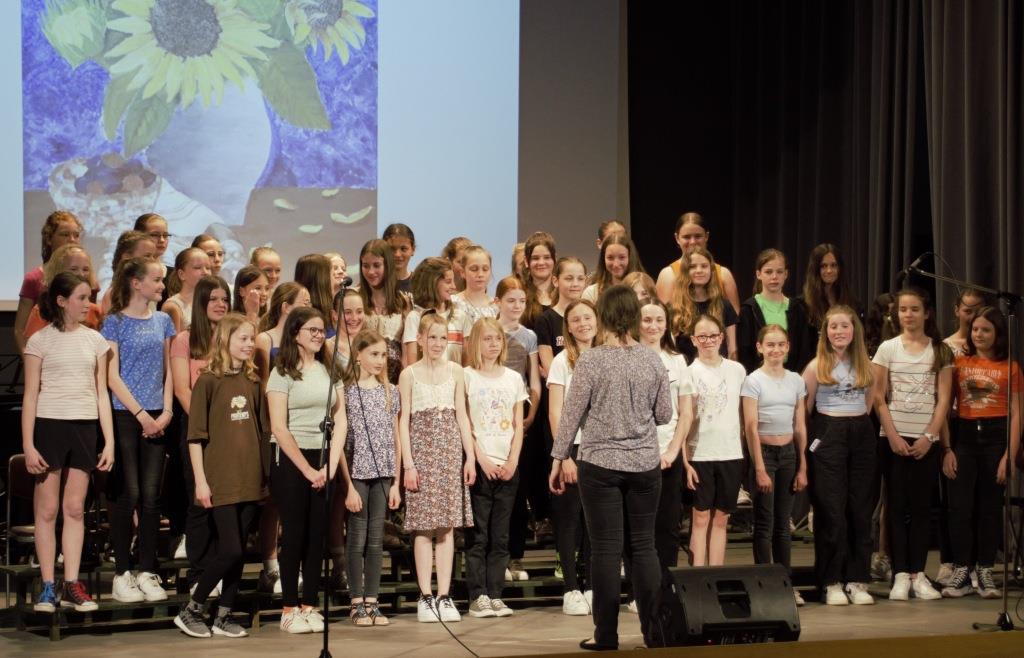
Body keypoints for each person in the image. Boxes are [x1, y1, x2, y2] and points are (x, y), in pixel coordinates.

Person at [549, 285, 672, 651]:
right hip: (644, 463)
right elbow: (664, 414)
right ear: (635, 318)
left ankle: (606, 636)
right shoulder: (652, 359)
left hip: (600, 463)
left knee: (605, 549)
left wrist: (558, 459)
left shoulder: (591, 360)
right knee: (644, 547)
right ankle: (655, 634)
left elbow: (570, 416)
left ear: (602, 316)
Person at [23, 273, 114, 613]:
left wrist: (109, 443)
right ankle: (48, 585)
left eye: (89, 297)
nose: (87, 303)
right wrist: (29, 445)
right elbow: (31, 395)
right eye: (80, 297)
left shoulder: (95, 341)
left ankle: (72, 583)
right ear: (61, 301)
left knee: (74, 509)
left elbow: (102, 393)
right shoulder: (40, 341)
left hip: (84, 427)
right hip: (49, 426)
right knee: (46, 510)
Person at [175, 314, 269, 638]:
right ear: (226, 340)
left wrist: (265, 477)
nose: (248, 344)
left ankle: (224, 615)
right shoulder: (208, 382)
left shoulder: (253, 381)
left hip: (250, 478)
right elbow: (195, 437)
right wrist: (201, 480)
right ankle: (193, 608)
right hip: (221, 480)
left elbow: (260, 430)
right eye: (242, 338)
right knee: (229, 549)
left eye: (251, 338)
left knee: (239, 549)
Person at [267, 307, 347, 633]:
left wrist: (328, 467)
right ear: (296, 333)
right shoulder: (282, 372)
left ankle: (309, 605)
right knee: (296, 535)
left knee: (317, 536)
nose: (318, 336)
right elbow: (278, 426)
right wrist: (307, 469)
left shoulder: (330, 370)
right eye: (311, 330)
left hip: (322, 458)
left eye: (320, 330)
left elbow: (341, 418)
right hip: (290, 459)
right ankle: (289, 608)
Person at [101, 257, 176, 603]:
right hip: (126, 416)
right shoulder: (113, 322)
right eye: (157, 280)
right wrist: (141, 414)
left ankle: (147, 569)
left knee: (151, 498)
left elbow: (168, 370)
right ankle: (122, 573)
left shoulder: (163, 320)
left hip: (158, 416)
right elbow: (112, 376)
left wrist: (167, 410)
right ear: (135, 282)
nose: (162, 286)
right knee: (128, 493)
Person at [871, 288, 952, 601]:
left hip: (925, 440)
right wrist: (891, 434)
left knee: (920, 508)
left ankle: (918, 573)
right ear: (896, 314)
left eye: (915, 309)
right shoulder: (887, 349)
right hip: (893, 437)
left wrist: (929, 437)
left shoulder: (941, 351)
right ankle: (900, 574)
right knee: (896, 505)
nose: (908, 315)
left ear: (926, 313)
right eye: (903, 309)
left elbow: (943, 399)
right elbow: (879, 396)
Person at [398, 313, 476, 623]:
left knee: (446, 527)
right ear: (420, 339)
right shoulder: (409, 374)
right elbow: (403, 421)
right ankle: (425, 596)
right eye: (432, 337)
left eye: (443, 338)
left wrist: (469, 457)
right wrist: (408, 464)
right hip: (421, 453)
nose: (437, 343)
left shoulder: (456, 372)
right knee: (423, 527)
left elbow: (462, 417)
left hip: (449, 454)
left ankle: (444, 596)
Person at [942, 306, 1022, 599]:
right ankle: (962, 569)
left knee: (989, 507)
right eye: (975, 329)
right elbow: (945, 407)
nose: (979, 335)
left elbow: (1016, 414)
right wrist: (947, 449)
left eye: (986, 330)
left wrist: (1008, 456)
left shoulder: (1010, 366)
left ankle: (986, 568)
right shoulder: (959, 362)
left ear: (998, 334)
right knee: (960, 507)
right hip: (964, 435)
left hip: (995, 436)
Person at [802, 305, 876, 606]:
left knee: (860, 510)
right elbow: (804, 410)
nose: (839, 332)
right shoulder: (816, 365)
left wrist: (854, 425)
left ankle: (857, 580)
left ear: (853, 330)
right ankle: (831, 580)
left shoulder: (866, 365)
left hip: (860, 433)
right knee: (831, 510)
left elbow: (870, 403)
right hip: (827, 432)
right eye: (833, 327)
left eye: (844, 326)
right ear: (825, 332)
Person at [463, 318, 527, 619]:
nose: (492, 344)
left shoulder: (513, 379)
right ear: (476, 342)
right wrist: (480, 459)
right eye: (487, 339)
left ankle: (496, 594)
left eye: (497, 339)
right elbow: (466, 423)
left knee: (500, 537)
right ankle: (478, 596)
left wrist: (513, 460)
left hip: (507, 466)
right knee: (479, 536)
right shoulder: (467, 376)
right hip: (481, 464)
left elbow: (518, 424)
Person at [741, 325, 808, 605]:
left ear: (788, 346)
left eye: (781, 344)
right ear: (759, 347)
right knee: (764, 522)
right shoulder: (753, 381)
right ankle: (764, 584)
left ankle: (785, 584)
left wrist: (803, 464)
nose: (775, 350)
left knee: (784, 523)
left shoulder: (795, 380)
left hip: (788, 454)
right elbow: (750, 426)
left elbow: (800, 424)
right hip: (765, 454)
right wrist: (759, 468)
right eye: (770, 345)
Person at [339, 329, 402, 626]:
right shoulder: (347, 392)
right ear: (358, 355)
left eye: (383, 355)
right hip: (357, 474)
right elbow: (340, 443)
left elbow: (395, 438)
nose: (380, 361)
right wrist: (348, 485)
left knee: (376, 540)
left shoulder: (391, 392)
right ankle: (356, 601)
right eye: (374, 354)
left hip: (384, 474)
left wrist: (397, 482)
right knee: (357, 538)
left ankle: (373, 600)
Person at [170, 276, 231, 580]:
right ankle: (199, 574)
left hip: (230, 431)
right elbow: (182, 389)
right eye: (214, 299)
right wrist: (204, 423)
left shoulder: (232, 339)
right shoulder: (186, 339)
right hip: (196, 430)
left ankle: (219, 571)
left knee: (225, 503)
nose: (221, 305)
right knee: (200, 500)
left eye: (225, 299)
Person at [253, 282, 311, 593]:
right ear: (286, 306)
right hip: (275, 423)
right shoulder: (266, 339)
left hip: (302, 425)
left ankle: (294, 564)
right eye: (304, 301)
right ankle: (270, 566)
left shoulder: (303, 341)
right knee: (273, 500)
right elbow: (263, 385)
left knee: (295, 501)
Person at [547, 300, 599, 615]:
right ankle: (571, 588)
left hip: (602, 449)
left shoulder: (608, 355)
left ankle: (593, 585)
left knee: (597, 522)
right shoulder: (561, 361)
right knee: (569, 521)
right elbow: (556, 411)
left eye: (587, 317)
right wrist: (563, 453)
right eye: (575, 319)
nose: (582, 324)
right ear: (568, 326)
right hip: (573, 448)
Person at [685, 315, 746, 567]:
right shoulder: (688, 373)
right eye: (702, 336)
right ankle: (698, 578)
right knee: (700, 518)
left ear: (721, 337)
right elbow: (682, 421)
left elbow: (743, 414)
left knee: (721, 518)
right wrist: (685, 461)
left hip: (730, 453)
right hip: (699, 454)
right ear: (693, 340)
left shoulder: (737, 370)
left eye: (713, 335)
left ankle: (715, 574)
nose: (708, 341)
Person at [637, 301, 695, 570]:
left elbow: (685, 413)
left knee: (669, 525)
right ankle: (640, 590)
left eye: (659, 320)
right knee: (639, 526)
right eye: (647, 320)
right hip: (635, 455)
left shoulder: (678, 360)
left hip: (668, 455)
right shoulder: (627, 356)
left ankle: (666, 586)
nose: (653, 326)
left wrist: (672, 451)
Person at [495, 275, 542, 582]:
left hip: (519, 409)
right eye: (510, 300)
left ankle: (516, 557)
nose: (516, 306)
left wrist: (529, 416)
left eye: (521, 301)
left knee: (519, 488)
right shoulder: (487, 331)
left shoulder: (529, 337)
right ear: (498, 302)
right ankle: (495, 557)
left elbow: (534, 382)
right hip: (492, 410)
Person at [15, 211, 84, 354]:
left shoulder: (85, 278)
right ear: (48, 239)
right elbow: (19, 330)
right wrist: (30, 361)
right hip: (44, 356)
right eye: (65, 234)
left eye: (76, 235)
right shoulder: (34, 278)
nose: (72, 240)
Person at [737, 248, 814, 375]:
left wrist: (795, 378)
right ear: (758, 274)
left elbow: (804, 350)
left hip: (791, 378)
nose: (774, 277)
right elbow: (745, 352)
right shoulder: (749, 309)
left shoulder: (797, 308)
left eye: (779, 272)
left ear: (786, 274)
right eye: (768, 272)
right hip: (759, 380)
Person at [654, 212, 740, 312]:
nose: (693, 242)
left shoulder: (723, 274)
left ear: (706, 236)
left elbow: (735, 317)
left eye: (698, 236)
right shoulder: (668, 274)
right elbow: (663, 317)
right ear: (677, 238)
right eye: (686, 237)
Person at [359, 238, 412, 384]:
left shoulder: (403, 301)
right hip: (363, 380)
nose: (371, 272)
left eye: (377, 265)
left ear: (387, 265)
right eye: (365, 266)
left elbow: (406, 349)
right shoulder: (356, 299)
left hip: (395, 381)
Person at [671, 247, 738, 361]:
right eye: (692, 267)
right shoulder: (674, 307)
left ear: (711, 270)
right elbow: (670, 351)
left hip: (719, 372)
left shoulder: (724, 305)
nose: (699, 270)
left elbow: (732, 349)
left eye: (704, 266)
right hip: (686, 374)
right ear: (685, 271)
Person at [23, 245, 103, 340]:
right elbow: (32, 348)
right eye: (73, 269)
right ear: (58, 272)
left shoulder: (94, 311)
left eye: (85, 269)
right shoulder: (41, 311)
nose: (81, 274)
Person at [401, 257, 470, 366]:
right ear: (432, 283)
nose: (454, 286)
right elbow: (412, 365)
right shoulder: (415, 318)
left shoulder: (460, 316)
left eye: (453, 281)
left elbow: (467, 364)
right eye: (448, 282)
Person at [798, 243, 861, 344]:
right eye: (823, 266)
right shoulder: (802, 305)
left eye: (833, 265)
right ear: (815, 270)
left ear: (840, 268)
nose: (829, 270)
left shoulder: (852, 303)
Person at [100, 231, 157, 314]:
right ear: (127, 257)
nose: (153, 261)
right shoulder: (115, 295)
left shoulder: (146, 290)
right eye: (147, 256)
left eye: (153, 256)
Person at [581, 234, 644, 303]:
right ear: (603, 259)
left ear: (631, 257)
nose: (616, 264)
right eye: (610, 258)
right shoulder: (591, 293)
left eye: (622, 257)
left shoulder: (643, 290)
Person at [163, 248, 212, 332]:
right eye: (197, 268)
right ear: (182, 274)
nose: (205, 272)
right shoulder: (173, 306)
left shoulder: (211, 302)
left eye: (208, 268)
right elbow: (173, 343)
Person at [453, 245, 499, 325]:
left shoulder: (496, 306)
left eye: (485, 269)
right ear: (462, 272)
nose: (480, 274)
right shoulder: (453, 303)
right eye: (474, 269)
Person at [521, 231, 557, 329]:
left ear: (555, 259)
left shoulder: (563, 292)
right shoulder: (519, 293)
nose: (541, 262)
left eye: (547, 257)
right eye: (535, 258)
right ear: (526, 261)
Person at [382, 223, 416, 293]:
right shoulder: (373, 283)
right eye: (391, 249)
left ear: (413, 250)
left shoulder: (420, 284)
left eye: (403, 249)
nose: (397, 254)